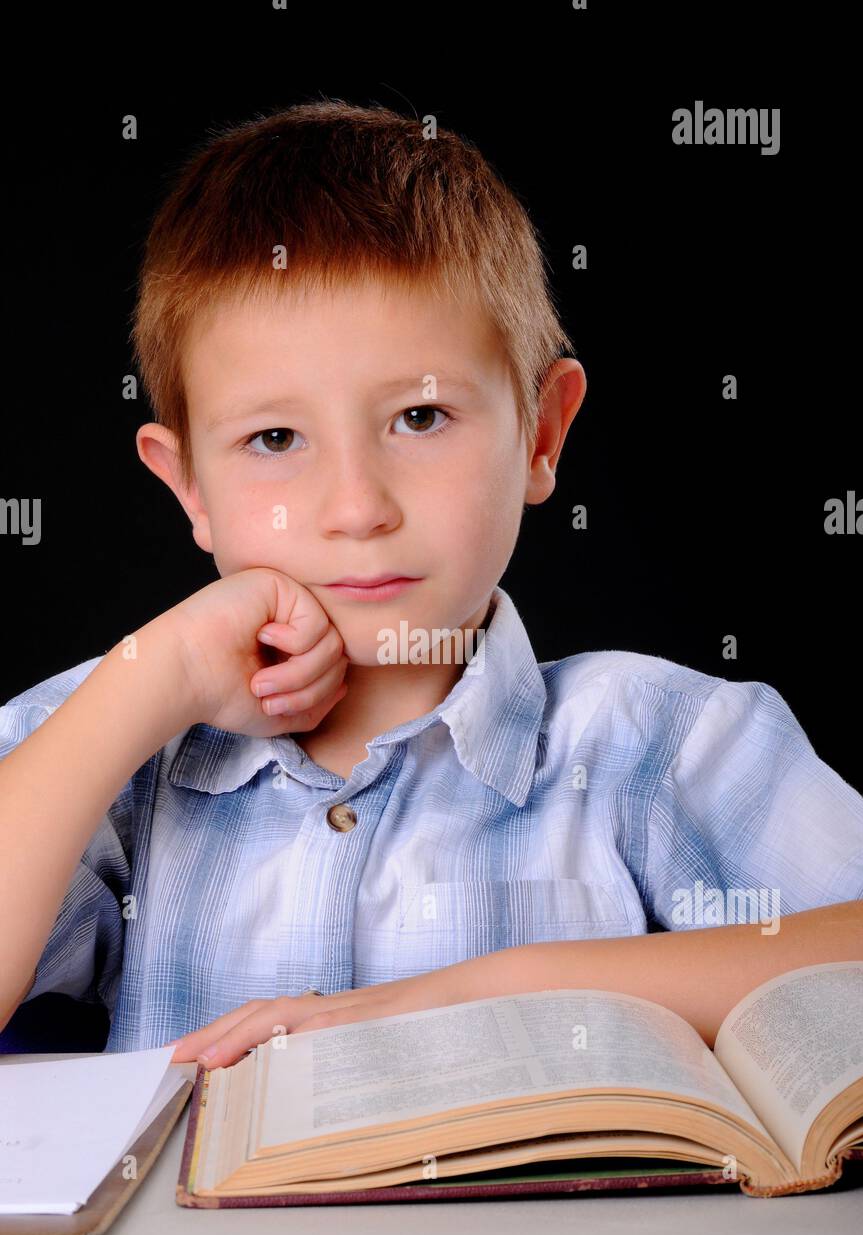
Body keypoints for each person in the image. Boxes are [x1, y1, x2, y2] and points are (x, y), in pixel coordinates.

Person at [1, 100, 860, 1067]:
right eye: (275, 439)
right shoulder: (115, 742)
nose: (356, 506)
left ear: (541, 434)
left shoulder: (654, 743)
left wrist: (481, 994)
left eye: (420, 417)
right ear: (188, 485)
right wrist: (148, 681)